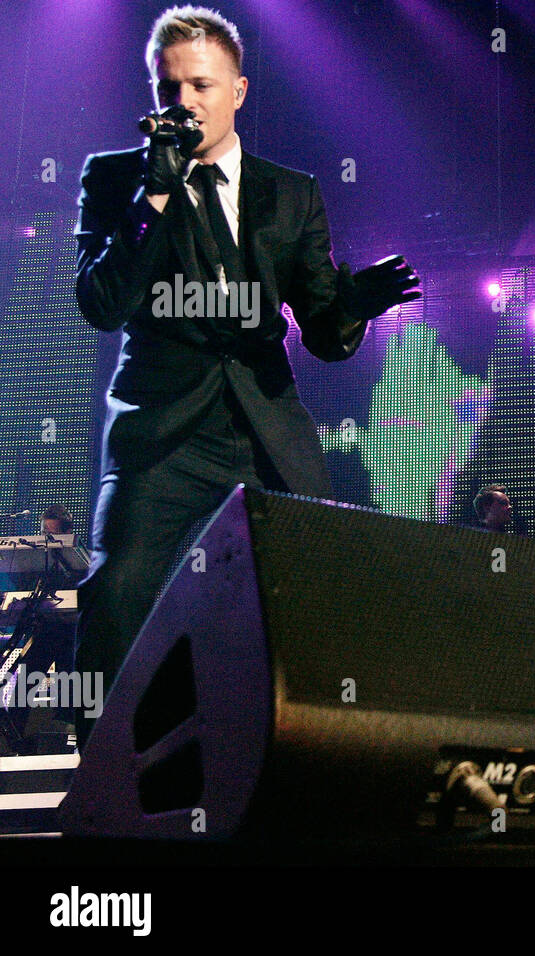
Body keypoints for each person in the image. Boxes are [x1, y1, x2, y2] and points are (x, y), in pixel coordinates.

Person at [72, 6, 420, 748]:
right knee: (121, 585)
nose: (184, 103)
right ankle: (104, 769)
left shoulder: (290, 193)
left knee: (319, 584)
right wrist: (155, 197)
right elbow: (102, 306)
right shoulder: (115, 179)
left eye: (201, 85)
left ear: (238, 91)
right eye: (169, 89)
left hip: (263, 424)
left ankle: (327, 753)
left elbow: (324, 336)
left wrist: (354, 303)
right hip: (161, 427)